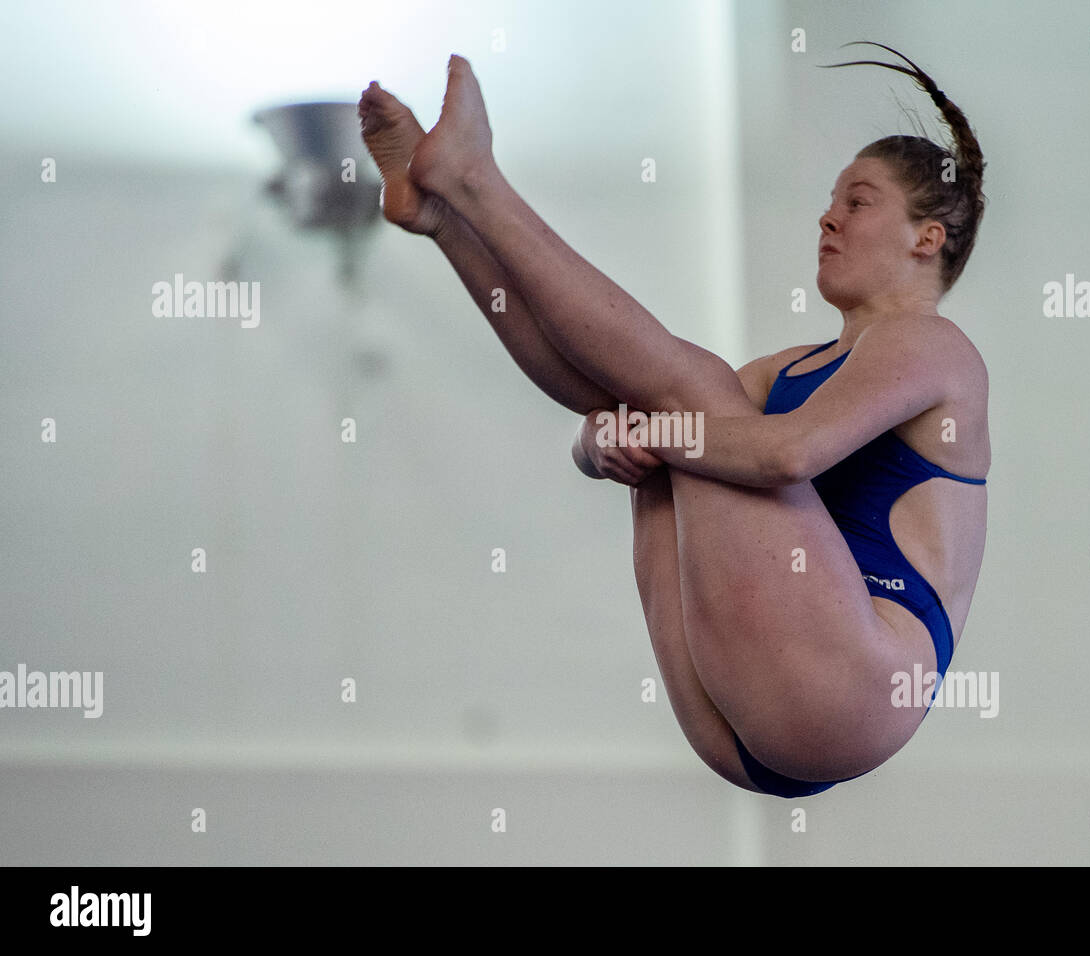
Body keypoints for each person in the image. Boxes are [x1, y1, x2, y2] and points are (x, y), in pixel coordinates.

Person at [357, 42, 990, 797]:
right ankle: (444, 218)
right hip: (739, 713)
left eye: (857, 202)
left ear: (928, 238)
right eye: (831, 201)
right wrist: (603, 445)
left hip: (852, 689)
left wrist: (656, 433)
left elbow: (788, 455)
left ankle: (473, 183)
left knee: (693, 400)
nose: (828, 218)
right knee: (662, 404)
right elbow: (621, 406)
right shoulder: (787, 371)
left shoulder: (933, 346)